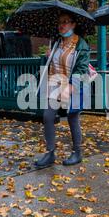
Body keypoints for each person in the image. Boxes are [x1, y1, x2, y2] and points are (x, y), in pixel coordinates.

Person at [35, 13, 90, 168]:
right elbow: (55, 64)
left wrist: (71, 87)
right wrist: (49, 56)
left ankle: (77, 152)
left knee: (72, 117)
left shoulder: (81, 44)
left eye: (65, 22)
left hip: (72, 85)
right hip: (55, 84)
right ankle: (50, 153)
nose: (62, 25)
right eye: (60, 22)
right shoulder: (57, 42)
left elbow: (81, 68)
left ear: (73, 25)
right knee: (47, 116)